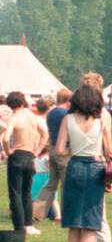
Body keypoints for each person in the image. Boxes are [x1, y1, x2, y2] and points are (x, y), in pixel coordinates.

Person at [56, 84, 112, 242]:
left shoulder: (67, 119)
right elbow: (110, 153)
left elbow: (60, 149)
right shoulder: (101, 122)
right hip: (96, 168)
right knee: (91, 222)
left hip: (75, 166)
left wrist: (74, 147)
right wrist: (109, 179)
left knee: (73, 221)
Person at [5, 92, 47, 235]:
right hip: (30, 156)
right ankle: (28, 225)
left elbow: (5, 138)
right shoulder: (32, 117)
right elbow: (45, 135)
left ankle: (18, 226)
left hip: (17, 155)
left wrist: (8, 151)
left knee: (15, 192)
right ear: (23, 102)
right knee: (26, 192)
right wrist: (36, 152)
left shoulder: (14, 118)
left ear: (10, 105)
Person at [34, 88, 72, 223]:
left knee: (51, 183)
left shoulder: (51, 113)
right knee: (66, 184)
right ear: (68, 100)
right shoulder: (66, 114)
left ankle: (37, 211)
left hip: (52, 150)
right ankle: (66, 214)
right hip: (63, 151)